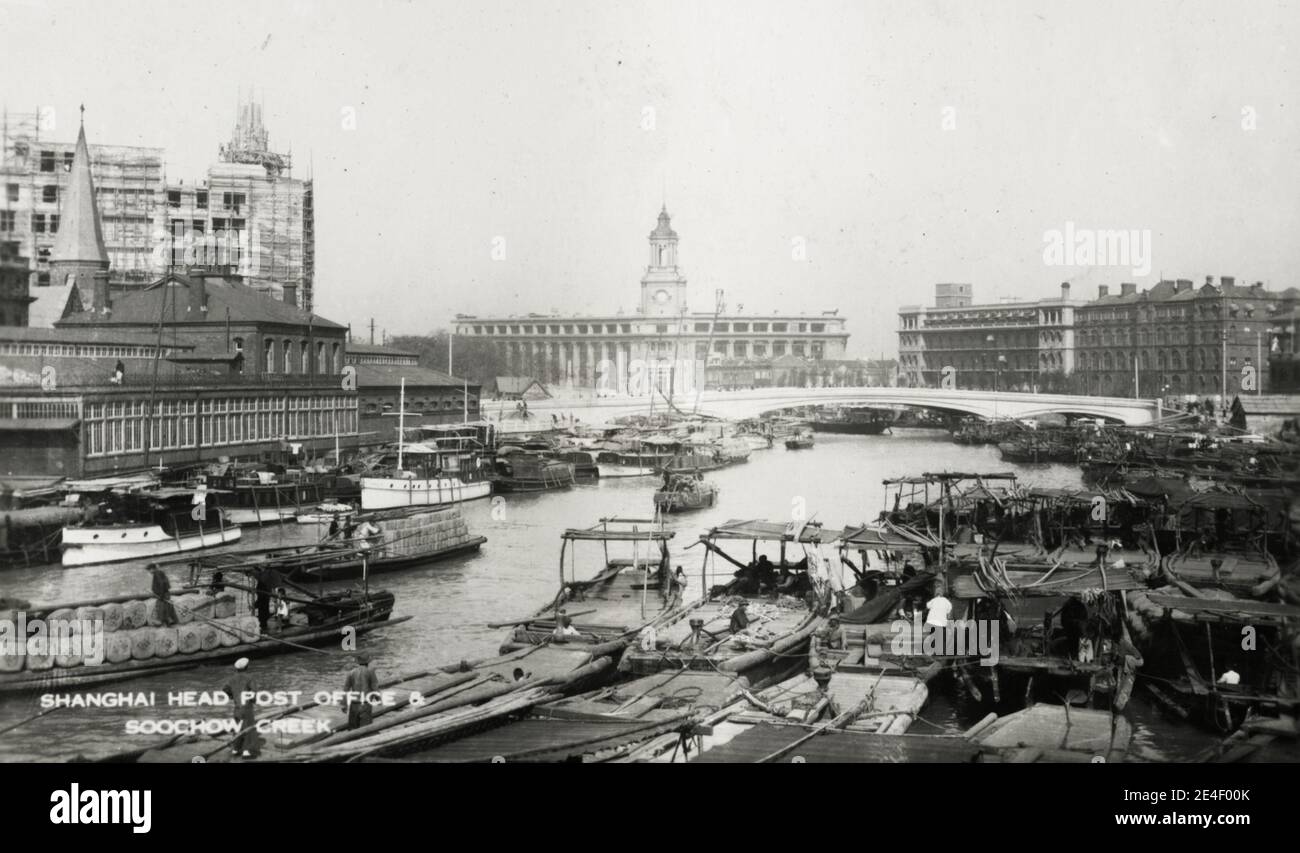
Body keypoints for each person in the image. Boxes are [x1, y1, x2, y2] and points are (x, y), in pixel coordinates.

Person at [222, 658, 258, 758]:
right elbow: (253, 692)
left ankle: (235, 750)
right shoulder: (250, 678)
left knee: (237, 728)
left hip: (237, 708)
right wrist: (253, 700)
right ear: (247, 667)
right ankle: (246, 752)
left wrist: (232, 696)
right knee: (248, 728)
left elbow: (225, 689)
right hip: (246, 708)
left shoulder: (232, 679)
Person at [343, 653, 379, 730]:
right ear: (368, 662)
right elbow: (375, 688)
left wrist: (344, 705)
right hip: (365, 704)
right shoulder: (370, 672)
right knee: (365, 730)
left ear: (358, 662)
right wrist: (378, 699)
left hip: (354, 705)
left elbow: (345, 690)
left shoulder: (351, 673)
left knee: (353, 729)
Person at [254, 567, 273, 632]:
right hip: (263, 596)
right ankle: (263, 625)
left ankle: (263, 626)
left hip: (263, 596)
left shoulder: (265, 578)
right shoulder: (264, 578)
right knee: (263, 611)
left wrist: (255, 604)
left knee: (263, 611)